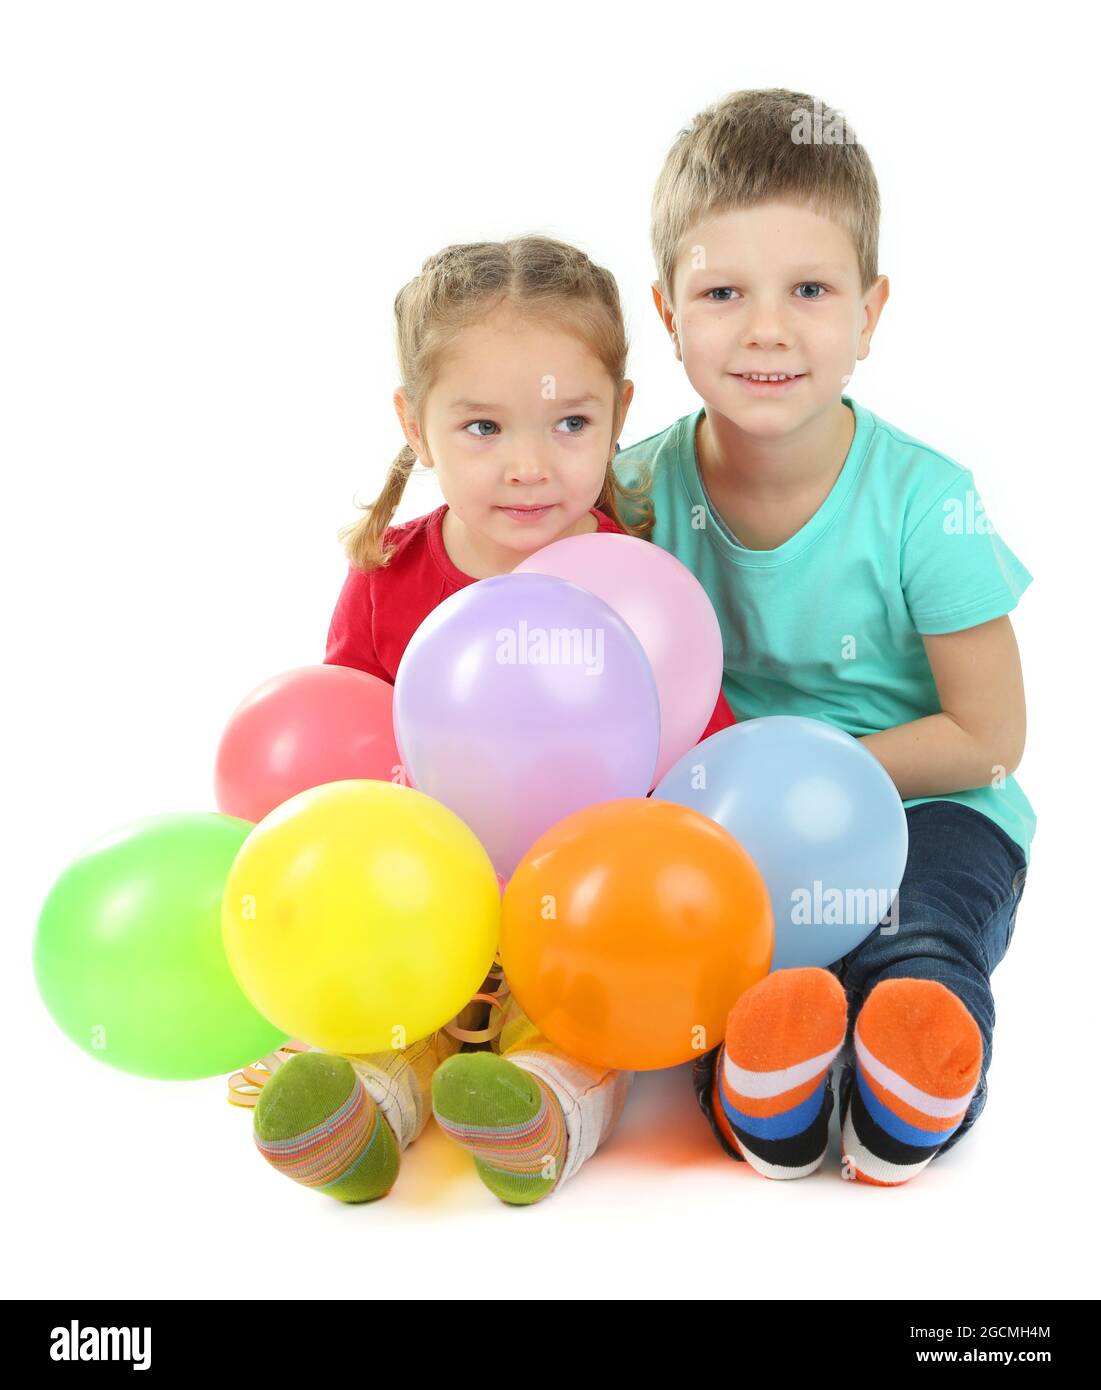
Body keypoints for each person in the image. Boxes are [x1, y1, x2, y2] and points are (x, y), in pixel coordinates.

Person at [250, 234, 735, 1206]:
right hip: (427, 901)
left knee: (583, 1019)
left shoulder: (638, 592)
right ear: (415, 426)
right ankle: (366, 1102)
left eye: (569, 424)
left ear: (619, 417)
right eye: (482, 428)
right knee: (395, 1002)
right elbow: (344, 760)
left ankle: (543, 1110)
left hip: (579, 911)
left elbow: (703, 764)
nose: (529, 467)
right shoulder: (389, 573)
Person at [613, 88, 1035, 1186]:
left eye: (809, 289)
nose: (766, 329)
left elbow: (989, 737)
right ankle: (768, 1092)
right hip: (729, 829)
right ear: (666, 315)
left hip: (928, 802)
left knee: (921, 930)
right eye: (722, 293)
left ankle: (914, 1077)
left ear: (870, 310)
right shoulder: (634, 496)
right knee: (739, 968)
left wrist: (809, 775)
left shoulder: (926, 501)